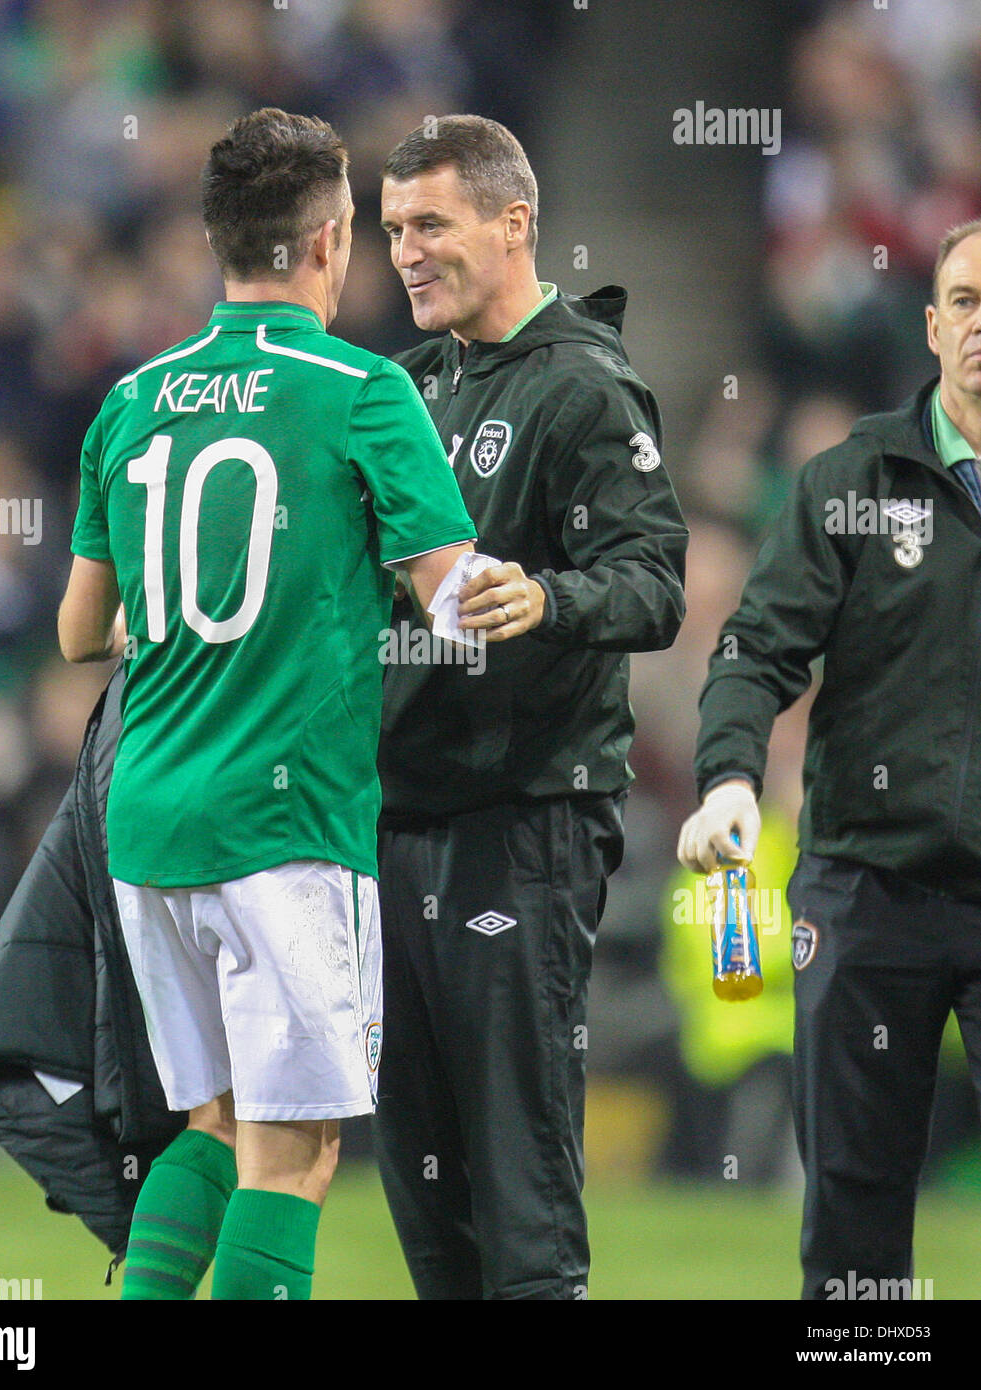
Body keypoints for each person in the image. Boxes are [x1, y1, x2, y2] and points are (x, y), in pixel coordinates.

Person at [56, 107, 478, 1301]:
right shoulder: (361, 391)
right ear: (329, 242)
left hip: (148, 824)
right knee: (296, 1155)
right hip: (285, 832)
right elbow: (453, 595)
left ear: (213, 239)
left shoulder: (132, 399)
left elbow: (80, 631)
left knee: (211, 1121)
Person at [373, 115, 688, 1299]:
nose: (404, 251)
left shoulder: (585, 388)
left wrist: (544, 596)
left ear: (513, 225)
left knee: (517, 1183)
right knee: (420, 1182)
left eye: (431, 225)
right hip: (389, 824)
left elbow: (653, 582)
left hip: (519, 827)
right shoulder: (400, 388)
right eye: (393, 228)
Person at [677, 219, 981, 1300]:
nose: (980, 322)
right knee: (854, 1220)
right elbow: (756, 646)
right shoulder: (851, 479)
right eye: (964, 299)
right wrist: (727, 775)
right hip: (865, 888)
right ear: (931, 323)